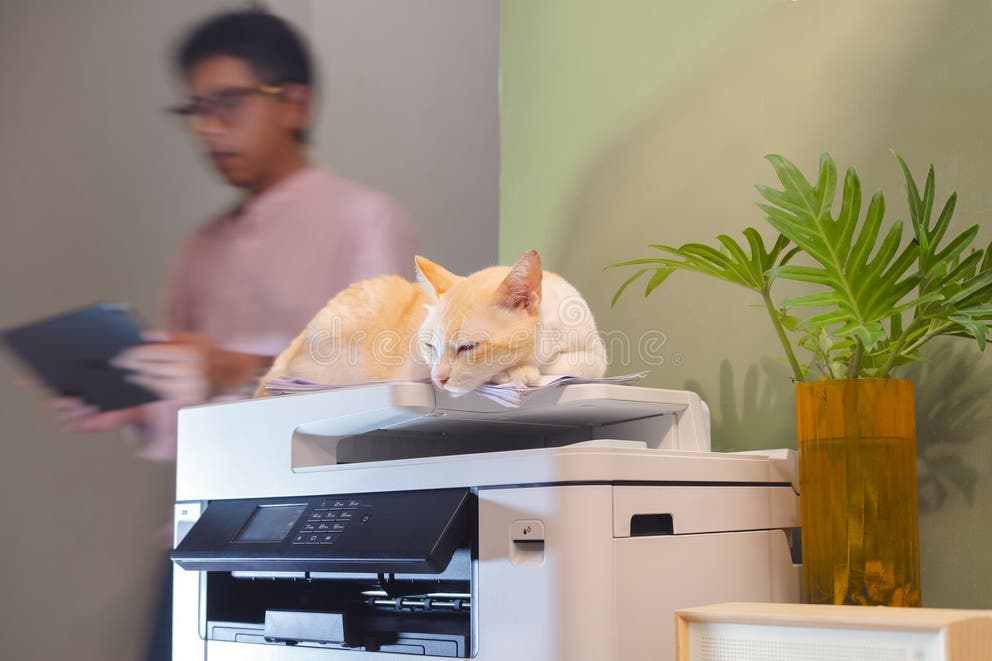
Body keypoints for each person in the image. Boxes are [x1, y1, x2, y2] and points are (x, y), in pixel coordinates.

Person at [48, 9, 418, 660]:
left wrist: (236, 368)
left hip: (326, 542)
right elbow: (182, 412)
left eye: (227, 103)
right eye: (193, 109)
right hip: (200, 536)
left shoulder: (364, 217)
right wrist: (134, 401)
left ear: (294, 103)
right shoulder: (199, 249)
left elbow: (386, 387)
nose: (206, 128)